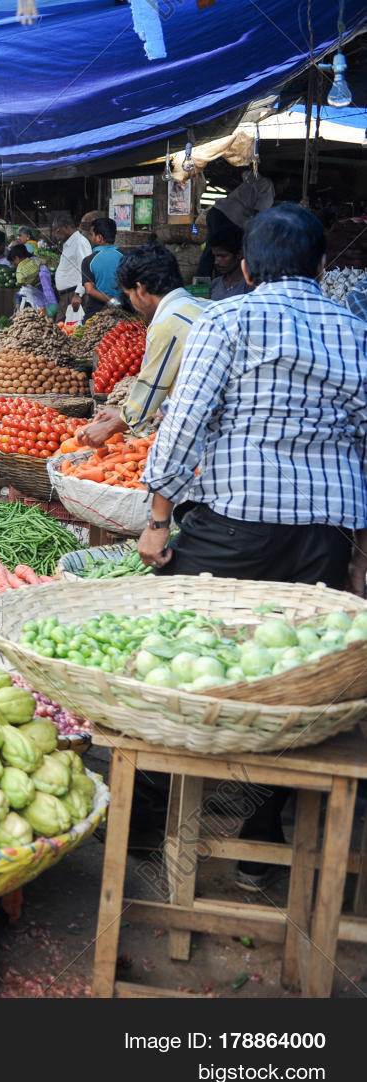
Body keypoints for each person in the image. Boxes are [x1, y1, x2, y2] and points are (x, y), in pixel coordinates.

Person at [137, 204, 367, 892]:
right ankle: (261, 833)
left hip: (237, 522)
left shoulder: (226, 319)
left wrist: (158, 519)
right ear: (320, 266)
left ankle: (151, 809)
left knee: (172, 645)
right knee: (298, 675)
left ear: (243, 266)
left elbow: (184, 421)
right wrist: (359, 552)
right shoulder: (354, 328)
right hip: (326, 531)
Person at [78, 243, 207, 446]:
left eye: (129, 294)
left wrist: (108, 428)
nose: (131, 302)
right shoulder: (202, 305)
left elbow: (152, 387)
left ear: (140, 288)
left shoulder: (167, 322)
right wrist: (122, 414)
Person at [195, 167, 274, 280]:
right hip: (229, 217)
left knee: (212, 249)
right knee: (224, 250)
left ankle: (201, 280)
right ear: (283, 182)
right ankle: (220, 281)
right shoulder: (268, 187)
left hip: (216, 211)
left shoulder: (255, 178)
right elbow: (258, 216)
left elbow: (244, 173)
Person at [80, 217, 123, 315]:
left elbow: (89, 290)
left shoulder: (88, 261)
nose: (89, 238)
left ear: (99, 238)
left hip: (96, 313)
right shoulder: (125, 257)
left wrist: (112, 301)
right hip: (125, 310)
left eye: (91, 234)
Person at [51, 214, 92, 318]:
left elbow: (86, 270)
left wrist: (78, 294)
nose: (56, 235)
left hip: (74, 295)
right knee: (62, 326)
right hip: (66, 296)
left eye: (57, 231)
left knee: (74, 325)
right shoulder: (68, 243)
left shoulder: (80, 242)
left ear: (67, 227)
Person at [8, 243, 56, 315]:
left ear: (17, 258)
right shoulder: (31, 262)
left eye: (13, 262)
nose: (13, 265)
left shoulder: (28, 265)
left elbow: (37, 280)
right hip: (35, 292)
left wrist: (34, 281)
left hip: (40, 292)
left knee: (41, 313)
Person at [207, 225, 250, 300]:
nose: (216, 262)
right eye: (215, 256)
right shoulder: (215, 284)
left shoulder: (249, 286)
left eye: (223, 256)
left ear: (239, 254)